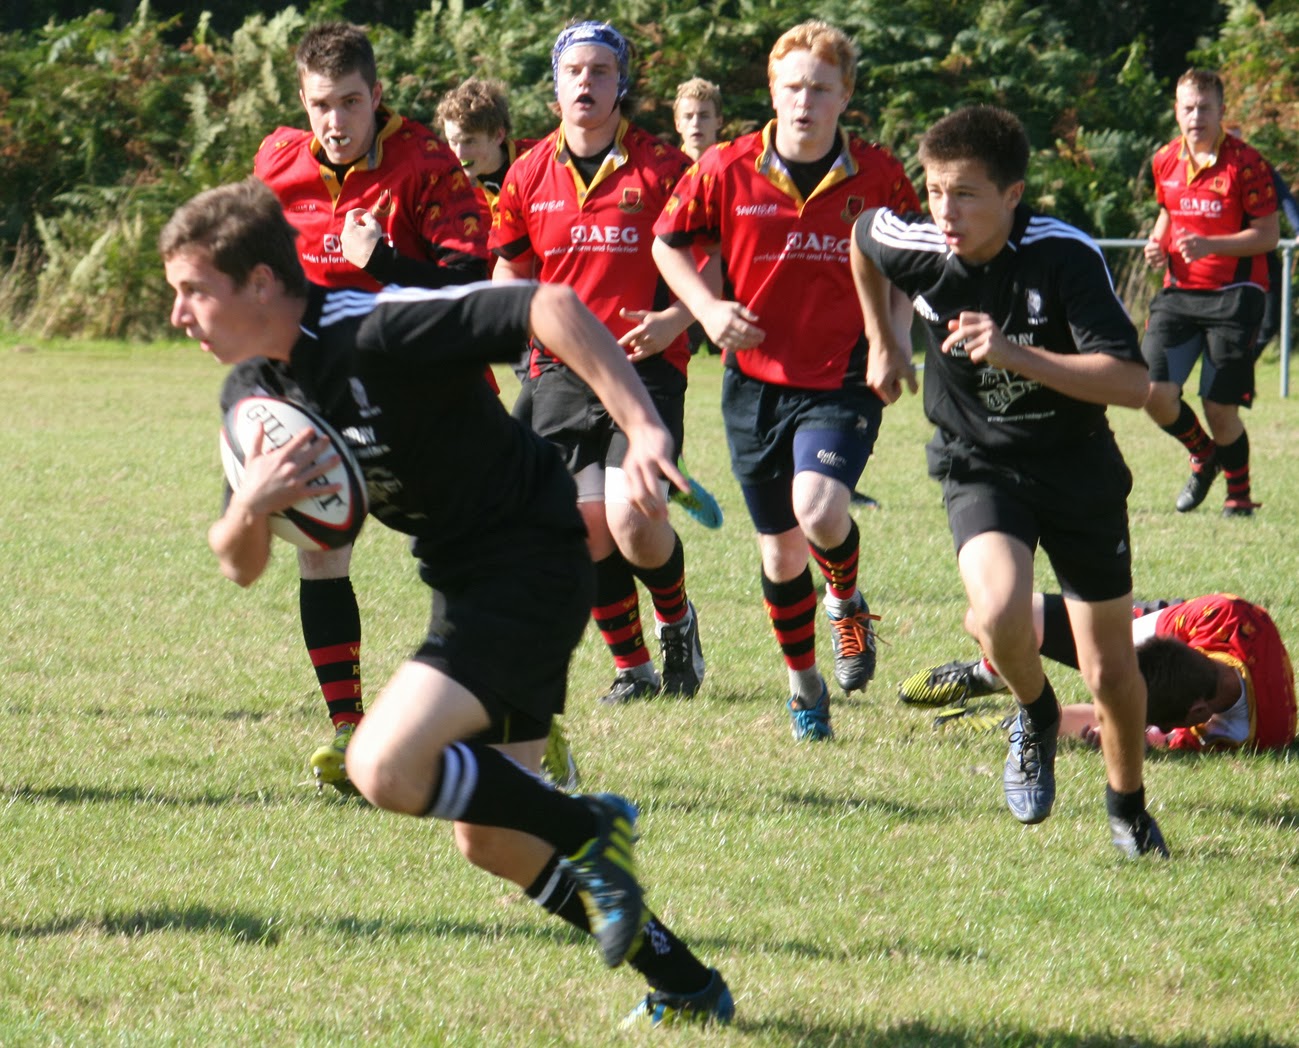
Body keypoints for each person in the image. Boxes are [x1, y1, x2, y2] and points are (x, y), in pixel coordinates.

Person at [160, 177, 734, 1029]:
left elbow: (547, 302)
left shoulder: (377, 327)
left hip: (532, 556)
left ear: (258, 283)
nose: (179, 315)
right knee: (492, 838)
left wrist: (643, 428)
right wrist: (251, 503)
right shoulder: (254, 393)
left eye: (192, 291)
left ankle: (585, 823)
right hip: (465, 578)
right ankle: (684, 981)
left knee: (382, 767)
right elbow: (239, 564)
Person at [851, 104, 1167, 858]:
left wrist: (1014, 354)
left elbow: (1129, 383)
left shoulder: (1064, 255)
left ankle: (1125, 807)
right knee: (996, 613)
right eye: (933, 190)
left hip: (1077, 467)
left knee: (1110, 667)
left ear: (1012, 195)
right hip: (978, 462)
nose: (944, 212)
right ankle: (1033, 709)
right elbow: (862, 237)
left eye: (964, 194)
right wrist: (883, 341)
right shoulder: (920, 244)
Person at [653, 19, 919, 742]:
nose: (804, 102)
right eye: (792, 87)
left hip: (841, 376)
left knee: (820, 508)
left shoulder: (879, 175)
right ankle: (804, 687)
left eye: (821, 89)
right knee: (778, 552)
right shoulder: (724, 167)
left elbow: (906, 264)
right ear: (772, 90)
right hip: (753, 383)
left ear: (845, 97)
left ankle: (846, 602)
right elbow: (666, 242)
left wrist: (890, 341)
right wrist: (706, 309)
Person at [253, 21, 489, 793]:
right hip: (324, 400)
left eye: (351, 102)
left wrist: (382, 261)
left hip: (431, 402)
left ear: (377, 96)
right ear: (302, 100)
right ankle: (349, 732)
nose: (336, 121)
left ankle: (519, 725)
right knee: (320, 547)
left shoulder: (426, 164)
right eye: (322, 104)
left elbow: (472, 287)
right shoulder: (277, 162)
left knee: (466, 568)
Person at [492, 21, 707, 705]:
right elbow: (510, 267)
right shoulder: (527, 173)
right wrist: (491, 333)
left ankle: (676, 619)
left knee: (634, 520)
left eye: (600, 71)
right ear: (555, 84)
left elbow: (710, 260)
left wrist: (677, 317)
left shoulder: (664, 168)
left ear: (622, 84)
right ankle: (633, 667)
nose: (585, 81)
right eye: (573, 71)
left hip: (644, 365)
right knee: (576, 525)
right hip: (557, 371)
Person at [901, 593, 1297, 752]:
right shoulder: (1220, 616)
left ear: (1196, 712)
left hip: (1178, 665)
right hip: (1155, 622)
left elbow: (1156, 736)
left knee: (1105, 723)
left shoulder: (1259, 734)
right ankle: (991, 673)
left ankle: (1015, 724)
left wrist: (1138, 741)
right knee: (999, 616)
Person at [1140, 69, 1279, 518]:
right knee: (1152, 391)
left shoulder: (1248, 164)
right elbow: (1168, 212)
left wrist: (1210, 245)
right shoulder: (1164, 159)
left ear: (1221, 111)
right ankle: (1203, 454)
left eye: (1204, 107)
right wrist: (1157, 244)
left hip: (1236, 296)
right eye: (1187, 107)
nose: (1195, 115)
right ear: (1176, 111)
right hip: (1179, 293)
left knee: (1219, 406)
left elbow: (1268, 236)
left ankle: (1238, 497)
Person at [672, 77, 722, 164]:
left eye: (704, 116)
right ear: (677, 124)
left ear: (719, 122)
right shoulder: (666, 171)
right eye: (688, 116)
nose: (695, 123)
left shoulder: (732, 169)